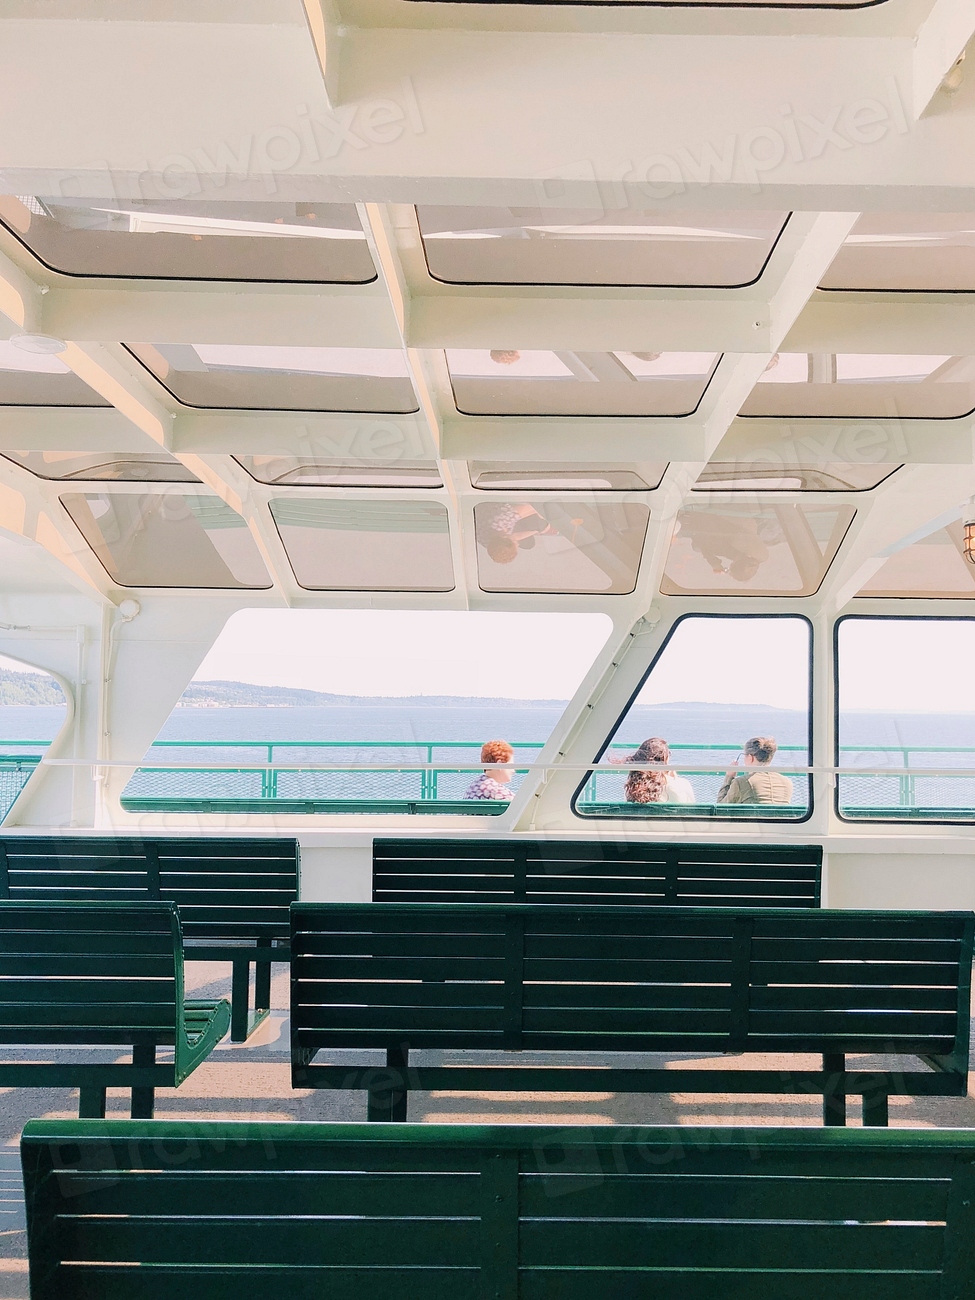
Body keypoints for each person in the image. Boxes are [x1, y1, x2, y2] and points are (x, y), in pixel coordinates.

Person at [716, 736, 793, 805]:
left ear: (750, 757)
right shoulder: (787, 783)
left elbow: (720, 808)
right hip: (781, 821)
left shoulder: (741, 783)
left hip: (753, 821)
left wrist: (729, 778)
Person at [619, 737, 695, 805]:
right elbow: (692, 811)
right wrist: (675, 780)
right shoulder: (681, 784)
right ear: (665, 759)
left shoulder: (634, 789)